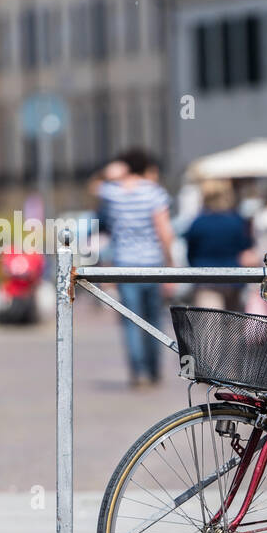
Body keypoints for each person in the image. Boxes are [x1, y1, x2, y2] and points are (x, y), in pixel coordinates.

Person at [96, 147, 176, 388]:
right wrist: (170, 263)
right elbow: (164, 232)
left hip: (125, 264)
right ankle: (153, 369)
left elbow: (94, 185)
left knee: (131, 320)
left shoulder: (112, 192)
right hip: (152, 263)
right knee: (154, 319)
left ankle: (138, 372)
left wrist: (111, 173)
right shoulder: (154, 193)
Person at [183, 180, 253, 312]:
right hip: (234, 279)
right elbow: (245, 248)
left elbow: (190, 252)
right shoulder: (237, 221)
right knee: (233, 327)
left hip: (206, 278)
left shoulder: (198, 223)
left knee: (210, 328)